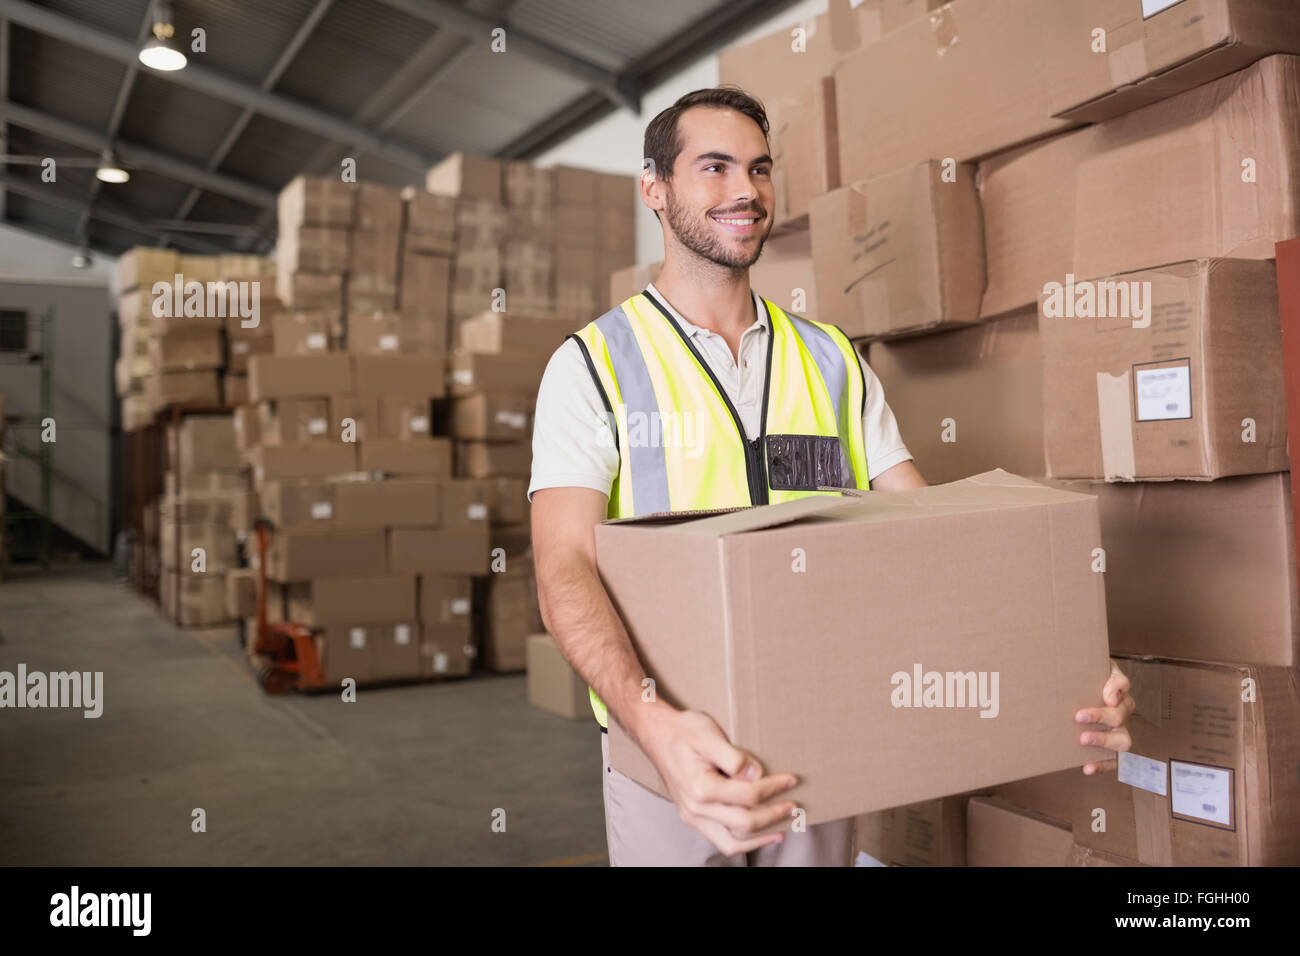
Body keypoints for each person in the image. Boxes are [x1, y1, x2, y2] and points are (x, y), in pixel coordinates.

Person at [528, 86, 1135, 866]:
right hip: (668, 757)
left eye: (759, 168)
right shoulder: (593, 366)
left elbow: (939, 539)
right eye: (714, 168)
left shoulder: (831, 360)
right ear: (655, 188)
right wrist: (656, 727)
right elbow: (562, 569)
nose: (745, 191)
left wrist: (1065, 658)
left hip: (825, 739)